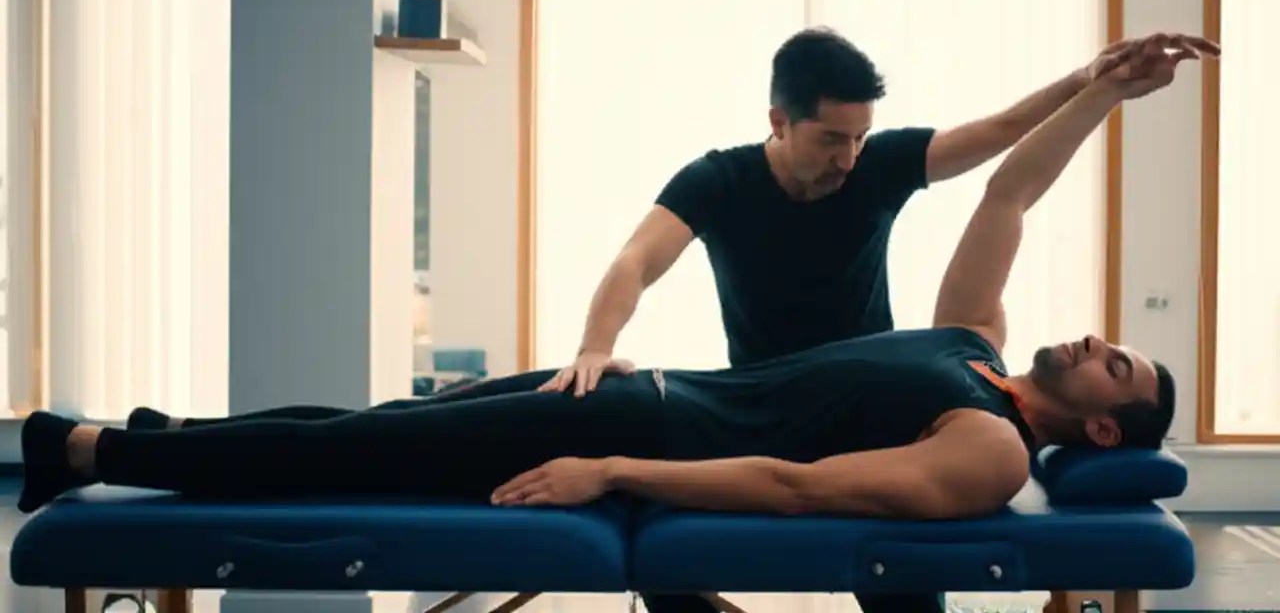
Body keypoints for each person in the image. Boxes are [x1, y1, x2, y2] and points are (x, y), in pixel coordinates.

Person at [19, 34, 1211, 530]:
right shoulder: (972, 343)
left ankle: (92, 454)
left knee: (359, 450)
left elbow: (803, 490)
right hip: (632, 387)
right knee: (382, 426)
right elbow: (1005, 193)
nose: (1092, 335)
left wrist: (614, 471)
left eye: (1111, 358)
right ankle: (157, 434)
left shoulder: (991, 444)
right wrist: (1100, 88)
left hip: (636, 429)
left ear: (1100, 422)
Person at [543, 27, 1194, 400]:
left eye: (859, 138)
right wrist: (595, 349)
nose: (849, 159)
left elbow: (1005, 131)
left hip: (868, 392)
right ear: (779, 121)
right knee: (667, 556)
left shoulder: (880, 164)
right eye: (831, 139)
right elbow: (638, 258)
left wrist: (1090, 78)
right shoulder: (720, 180)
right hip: (766, 398)